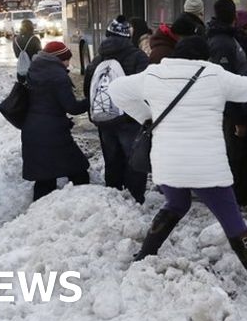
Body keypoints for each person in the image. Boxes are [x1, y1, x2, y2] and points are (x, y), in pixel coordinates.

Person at [109, 35, 247, 289]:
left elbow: (116, 89)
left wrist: (146, 116)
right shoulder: (216, 76)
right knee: (230, 217)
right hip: (207, 166)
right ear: (204, 56)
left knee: (176, 203)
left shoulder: (153, 75)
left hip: (168, 163)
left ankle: (144, 255)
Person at [83, 19, 149, 202]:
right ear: (128, 36)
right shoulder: (138, 57)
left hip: (105, 119)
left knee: (112, 160)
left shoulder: (97, 59)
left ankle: (113, 197)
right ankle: (135, 199)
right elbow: (145, 88)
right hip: (131, 120)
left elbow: (88, 89)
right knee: (134, 159)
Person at [21, 41, 91, 201]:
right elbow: (72, 107)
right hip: (52, 133)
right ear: (59, 59)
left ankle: (39, 210)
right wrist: (91, 100)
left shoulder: (34, 69)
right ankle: (82, 203)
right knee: (78, 171)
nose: (68, 63)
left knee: (45, 177)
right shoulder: (58, 76)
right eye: (67, 60)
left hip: (32, 128)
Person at [207, 0, 247, 204]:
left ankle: (237, 193)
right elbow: (226, 84)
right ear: (234, 15)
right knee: (235, 154)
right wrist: (238, 119)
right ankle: (234, 196)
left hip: (233, 108)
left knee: (238, 153)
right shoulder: (223, 43)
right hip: (231, 111)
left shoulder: (226, 38)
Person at [13, 19, 42, 84]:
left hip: (21, 70)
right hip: (33, 70)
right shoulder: (34, 39)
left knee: (23, 88)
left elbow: (17, 55)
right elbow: (39, 55)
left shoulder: (15, 39)